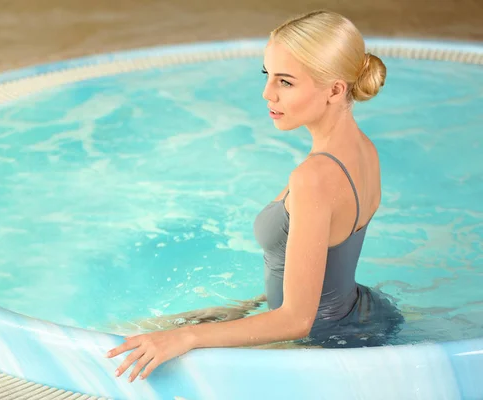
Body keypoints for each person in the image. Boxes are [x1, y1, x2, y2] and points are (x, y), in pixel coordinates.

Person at [106, 9, 404, 382]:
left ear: (334, 89)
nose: (268, 93)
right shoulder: (364, 150)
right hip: (361, 314)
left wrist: (187, 336)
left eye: (286, 81)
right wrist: (245, 308)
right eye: (268, 75)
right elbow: (323, 269)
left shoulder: (315, 177)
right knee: (132, 333)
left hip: (321, 347)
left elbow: (297, 319)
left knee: (125, 348)